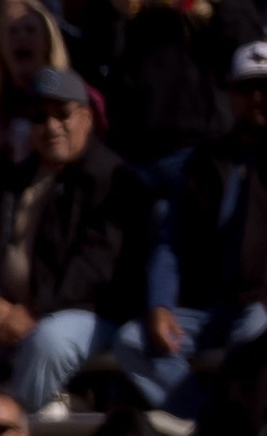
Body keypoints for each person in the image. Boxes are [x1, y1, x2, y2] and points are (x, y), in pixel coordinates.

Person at [0, 69, 144, 414]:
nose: (51, 126)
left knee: (50, 342)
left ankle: (8, 434)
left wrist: (34, 311)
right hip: (11, 313)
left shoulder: (109, 178)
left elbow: (94, 267)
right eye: (39, 117)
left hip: (86, 314)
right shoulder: (12, 178)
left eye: (62, 114)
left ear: (86, 118)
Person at [110, 44, 267, 416]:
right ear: (229, 93)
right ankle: (207, 426)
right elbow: (170, 243)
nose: (257, 98)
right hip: (209, 310)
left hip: (260, 307)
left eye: (265, 87)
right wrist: (160, 304)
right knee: (131, 341)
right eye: (246, 89)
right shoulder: (204, 162)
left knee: (257, 334)